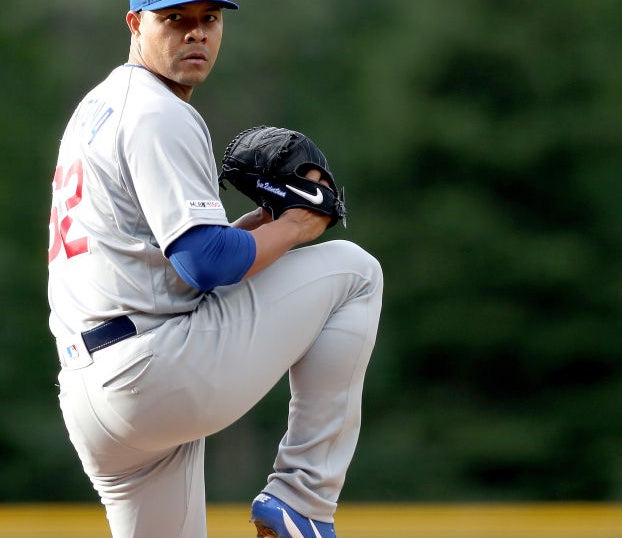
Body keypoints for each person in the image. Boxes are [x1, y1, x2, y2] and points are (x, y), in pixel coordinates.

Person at [46, 1, 383, 537]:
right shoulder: (158, 110)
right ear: (135, 24)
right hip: (152, 370)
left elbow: (167, 259)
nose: (195, 33)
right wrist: (296, 225)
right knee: (355, 273)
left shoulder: (100, 106)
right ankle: (304, 499)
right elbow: (205, 263)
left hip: (93, 393)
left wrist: (262, 225)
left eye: (208, 19)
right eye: (174, 18)